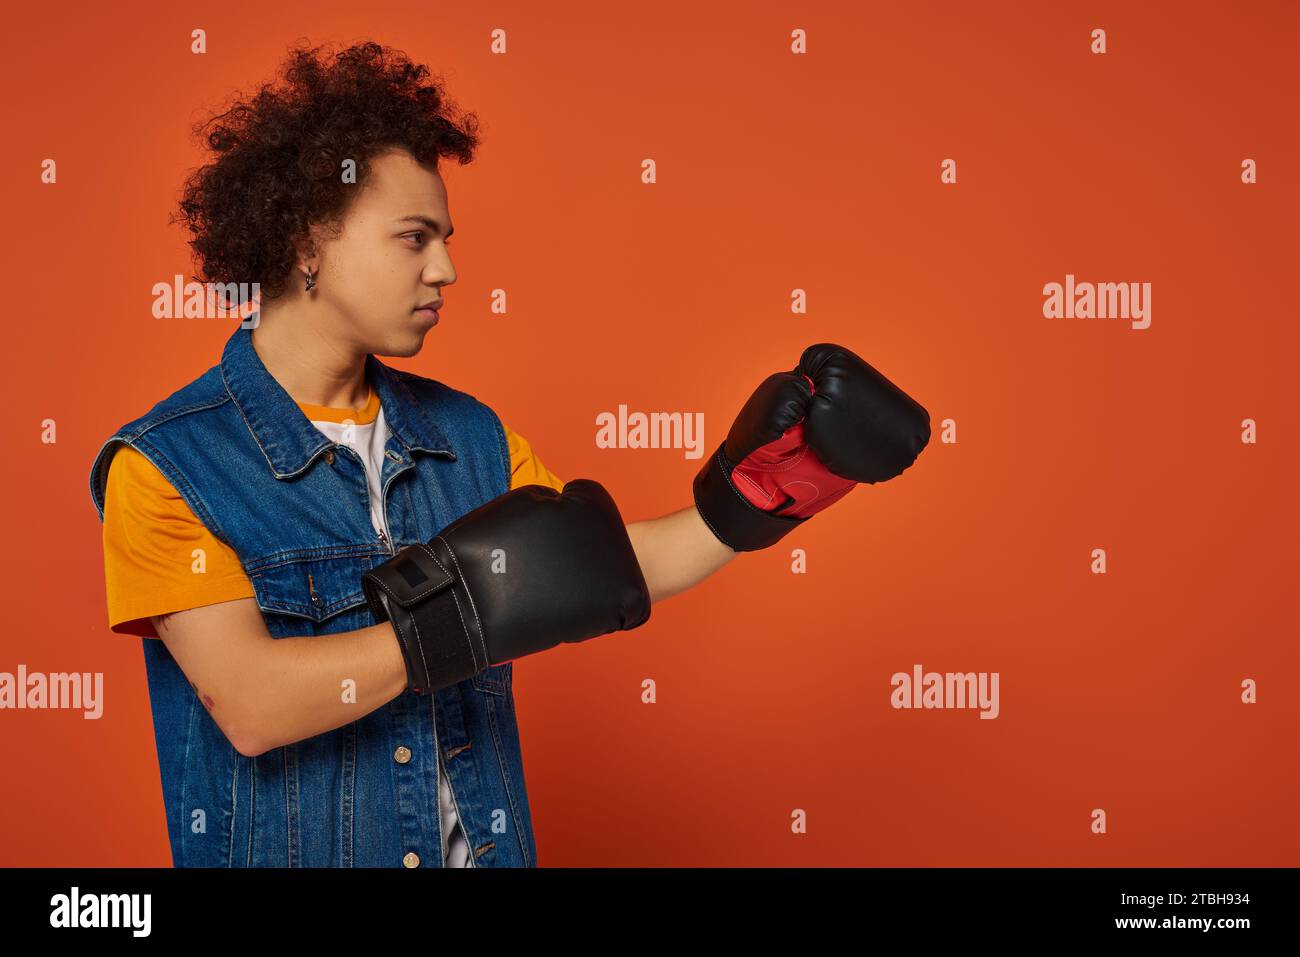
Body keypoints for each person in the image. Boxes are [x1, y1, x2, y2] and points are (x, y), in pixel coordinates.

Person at [87, 40, 931, 868]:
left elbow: (601, 566)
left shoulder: (472, 438)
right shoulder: (168, 464)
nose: (448, 268)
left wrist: (758, 491)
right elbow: (249, 702)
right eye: (415, 238)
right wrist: (462, 616)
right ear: (310, 241)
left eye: (446, 238)